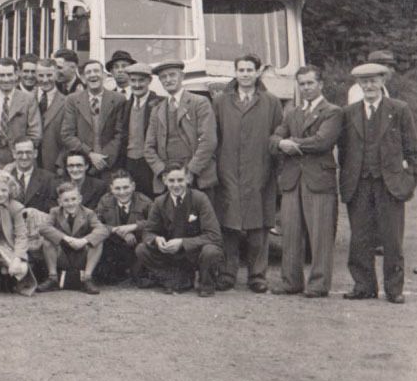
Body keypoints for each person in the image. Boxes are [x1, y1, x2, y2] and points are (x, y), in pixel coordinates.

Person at [339, 63, 417, 304]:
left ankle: (394, 289)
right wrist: (349, 177)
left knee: (392, 239)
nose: (369, 86)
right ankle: (363, 285)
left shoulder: (399, 110)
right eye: (364, 82)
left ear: (383, 82)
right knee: (360, 237)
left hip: (390, 185)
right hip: (360, 184)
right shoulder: (350, 112)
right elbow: (344, 150)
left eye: (373, 80)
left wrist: (408, 179)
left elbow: (412, 149)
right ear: (358, 85)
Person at [269, 65, 343, 298]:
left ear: (320, 84)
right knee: (290, 232)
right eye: (302, 84)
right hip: (292, 179)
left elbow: (322, 141)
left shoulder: (332, 111)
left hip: (319, 179)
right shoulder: (293, 112)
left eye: (310, 83)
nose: (306, 87)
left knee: (320, 234)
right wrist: (281, 143)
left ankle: (318, 284)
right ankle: (291, 282)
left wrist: (292, 144)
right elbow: (274, 138)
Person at [212, 54, 283, 293]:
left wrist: (271, 168)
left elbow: (277, 135)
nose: (245, 74)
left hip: (259, 169)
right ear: (235, 72)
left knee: (259, 225)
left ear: (257, 72)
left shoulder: (271, 102)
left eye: (249, 70)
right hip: (228, 168)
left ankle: (257, 275)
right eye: (240, 69)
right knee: (229, 224)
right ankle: (227, 273)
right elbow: (215, 136)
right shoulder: (221, 101)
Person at [135, 164, 223, 296]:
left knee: (211, 251)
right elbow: (148, 232)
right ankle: (173, 279)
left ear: (188, 179)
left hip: (194, 253)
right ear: (164, 180)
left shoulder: (200, 198)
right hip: (171, 253)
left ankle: (206, 284)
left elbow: (214, 236)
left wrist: (183, 243)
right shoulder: (159, 202)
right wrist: (156, 240)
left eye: (180, 180)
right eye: (171, 181)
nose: (176, 185)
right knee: (142, 249)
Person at [143, 59, 218, 195]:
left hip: (197, 178)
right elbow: (148, 147)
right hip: (169, 180)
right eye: (163, 77)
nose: (168, 80)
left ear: (182, 77)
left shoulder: (199, 103)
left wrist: (191, 171)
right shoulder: (157, 109)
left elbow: (208, 141)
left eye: (172, 75)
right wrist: (163, 172)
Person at [35, 183, 107, 294]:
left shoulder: (88, 213)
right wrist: (66, 238)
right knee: (47, 241)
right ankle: (52, 277)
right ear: (60, 202)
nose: (70, 203)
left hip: (81, 254)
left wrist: (84, 240)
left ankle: (87, 278)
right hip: (62, 255)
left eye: (73, 199)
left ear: (80, 199)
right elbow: (44, 227)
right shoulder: (55, 211)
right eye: (66, 200)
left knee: (97, 242)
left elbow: (102, 230)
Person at [60, 59, 126, 178]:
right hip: (82, 163)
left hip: (109, 163)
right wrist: (89, 154)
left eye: (96, 71)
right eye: (88, 72)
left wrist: (103, 158)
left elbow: (120, 133)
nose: (93, 75)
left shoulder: (118, 99)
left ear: (104, 76)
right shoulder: (72, 100)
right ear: (83, 78)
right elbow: (67, 135)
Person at [0, 57, 41, 166]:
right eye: (1, 75)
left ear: (16, 75)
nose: (6, 79)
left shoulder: (28, 100)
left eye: (9, 75)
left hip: (22, 158)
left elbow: (35, 134)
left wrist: (20, 157)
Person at [93, 169, 152, 285]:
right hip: (114, 244)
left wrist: (134, 226)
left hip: (136, 243)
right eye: (117, 188)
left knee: (140, 279)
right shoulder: (105, 200)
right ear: (111, 188)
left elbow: (155, 222)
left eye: (126, 187)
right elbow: (95, 222)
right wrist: (116, 230)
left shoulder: (144, 201)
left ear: (133, 186)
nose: (122, 192)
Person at [118, 62, 162, 194]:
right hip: (129, 162)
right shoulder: (125, 105)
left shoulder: (160, 103)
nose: (137, 85)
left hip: (150, 163)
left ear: (149, 80)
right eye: (133, 81)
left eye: (141, 80)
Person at [4, 136, 57, 212]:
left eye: (28, 152)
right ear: (14, 154)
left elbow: (53, 211)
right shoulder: (6, 178)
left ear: (35, 153)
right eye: (20, 153)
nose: (24, 157)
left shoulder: (49, 179)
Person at [34, 59, 66, 174]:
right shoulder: (25, 99)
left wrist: (61, 163)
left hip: (54, 165)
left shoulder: (67, 102)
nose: (45, 80)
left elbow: (69, 137)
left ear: (56, 75)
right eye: (41, 75)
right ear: (36, 75)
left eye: (49, 75)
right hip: (29, 162)